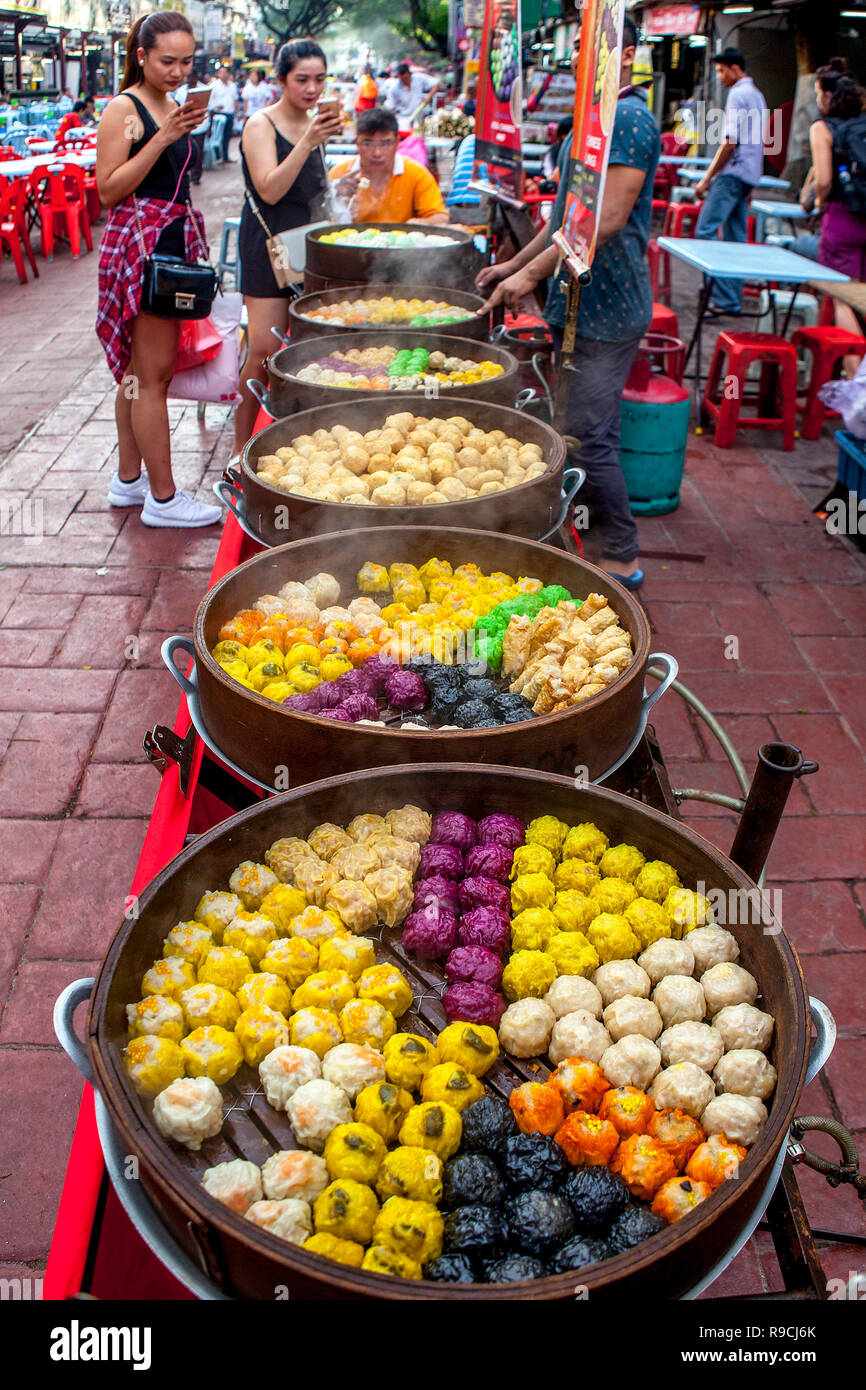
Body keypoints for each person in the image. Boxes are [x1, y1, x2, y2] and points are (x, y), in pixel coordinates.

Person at [476, 18, 659, 589]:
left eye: (597, 48)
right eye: (581, 47)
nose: (584, 56)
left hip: (609, 306)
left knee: (589, 431)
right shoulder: (594, 120)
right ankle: (571, 532)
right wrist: (513, 264)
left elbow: (604, 220)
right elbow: (564, 216)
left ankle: (623, 557)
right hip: (574, 302)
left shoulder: (628, 118)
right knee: (573, 425)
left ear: (627, 55)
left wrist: (528, 272)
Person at [95, 10, 222, 528]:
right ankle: (164, 500)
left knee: (133, 375)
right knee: (153, 377)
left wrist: (174, 126)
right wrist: (164, 135)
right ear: (141, 56)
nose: (178, 71)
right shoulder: (125, 109)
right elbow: (107, 188)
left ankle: (129, 480)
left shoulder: (171, 104)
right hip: (142, 249)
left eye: (187, 62)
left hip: (167, 244)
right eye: (167, 60)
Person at [232, 38, 342, 456]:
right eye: (302, 80)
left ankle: (285, 437)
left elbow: (309, 191)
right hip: (268, 245)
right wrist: (307, 142)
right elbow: (270, 189)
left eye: (319, 79)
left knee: (300, 348)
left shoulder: (314, 123)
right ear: (281, 80)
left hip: (306, 246)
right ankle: (241, 446)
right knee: (263, 347)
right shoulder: (261, 123)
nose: (312, 89)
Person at [692, 48, 767, 317]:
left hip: (733, 173)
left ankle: (723, 297)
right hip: (748, 175)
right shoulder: (758, 95)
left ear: (736, 69)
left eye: (723, 71)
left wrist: (706, 178)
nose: (721, 77)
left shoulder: (738, 94)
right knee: (735, 240)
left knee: (705, 231)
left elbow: (730, 142)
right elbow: (758, 142)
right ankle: (730, 299)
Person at [803, 57, 866, 356]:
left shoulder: (822, 128)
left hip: (842, 219)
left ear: (827, 95)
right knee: (862, 296)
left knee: (842, 299)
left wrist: (818, 200)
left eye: (817, 93)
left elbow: (824, 180)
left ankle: (858, 387)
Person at [331, 108, 447, 224]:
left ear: (397, 143)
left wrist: (420, 223)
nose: (377, 153)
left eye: (385, 144)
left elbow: (439, 216)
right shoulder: (339, 175)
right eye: (368, 144)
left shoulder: (417, 174)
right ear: (357, 144)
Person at [209, 63, 239, 162]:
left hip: (229, 113)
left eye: (225, 72)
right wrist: (215, 106)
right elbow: (209, 99)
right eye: (221, 72)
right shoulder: (214, 85)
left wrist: (237, 113)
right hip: (218, 113)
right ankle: (217, 156)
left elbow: (235, 100)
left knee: (227, 136)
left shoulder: (232, 86)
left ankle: (225, 156)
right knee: (217, 135)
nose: (223, 74)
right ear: (218, 74)